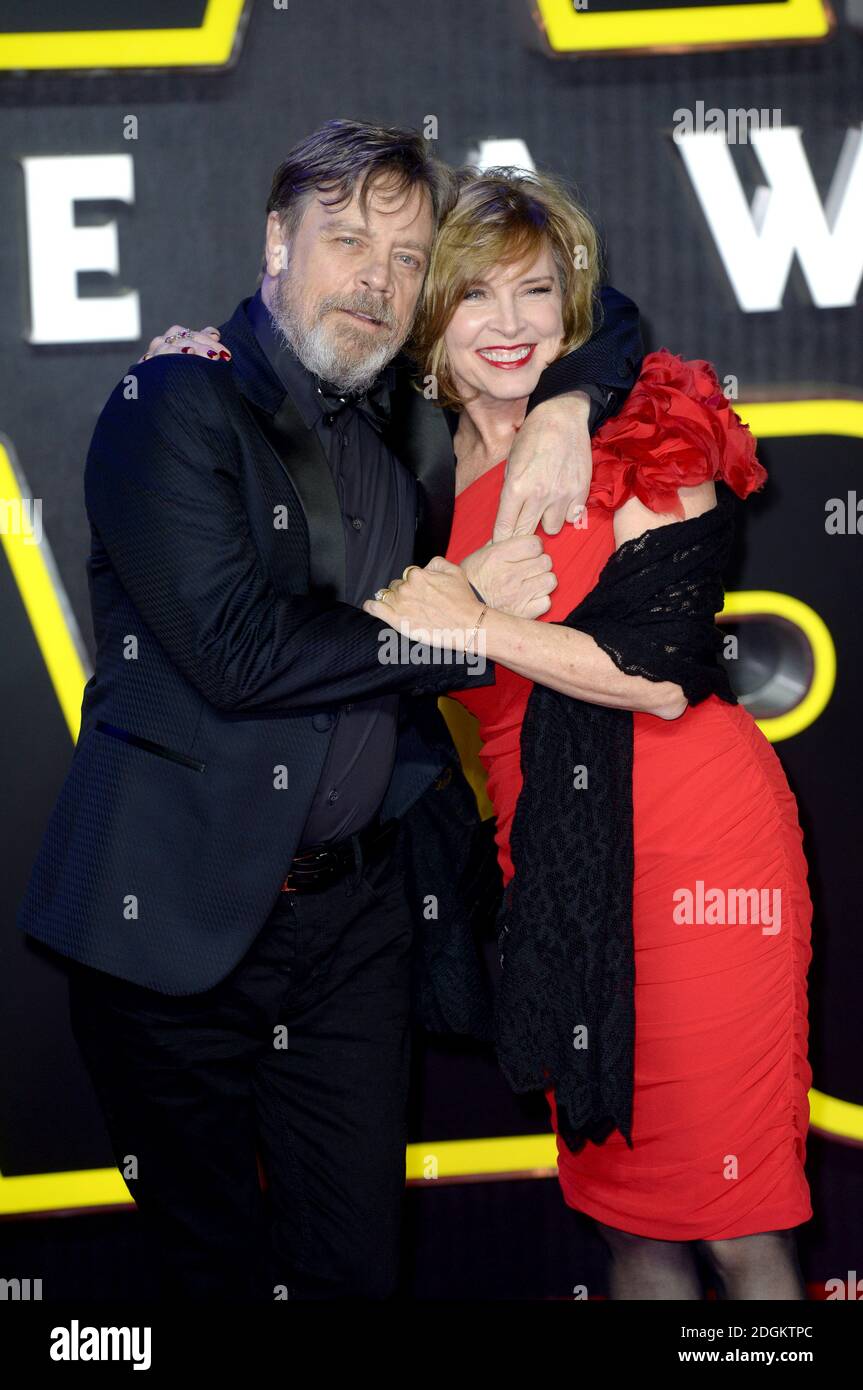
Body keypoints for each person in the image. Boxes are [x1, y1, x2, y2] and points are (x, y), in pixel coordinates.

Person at [16, 121, 643, 1301]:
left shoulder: (407, 411)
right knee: (209, 1269)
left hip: (357, 927)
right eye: (345, 238)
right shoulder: (173, 400)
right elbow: (239, 656)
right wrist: (456, 627)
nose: (375, 277)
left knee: (355, 1266)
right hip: (175, 924)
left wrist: (563, 409)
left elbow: (603, 315)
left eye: (406, 260)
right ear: (273, 241)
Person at [361, 168, 814, 1301]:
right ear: (430, 319)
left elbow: (657, 676)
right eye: (475, 296)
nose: (508, 325)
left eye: (535, 292)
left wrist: (472, 618)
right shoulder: (412, 485)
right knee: (629, 1225)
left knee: (735, 1222)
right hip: (557, 885)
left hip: (696, 861)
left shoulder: (636, 423)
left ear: (574, 312)